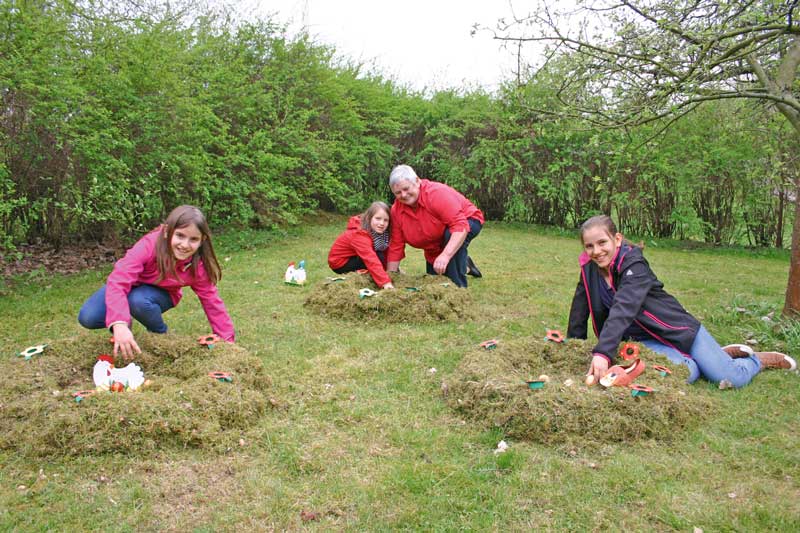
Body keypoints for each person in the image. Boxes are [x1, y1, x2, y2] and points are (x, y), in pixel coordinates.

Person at [567, 214, 796, 388]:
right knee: (687, 373)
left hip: (678, 330)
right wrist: (572, 349)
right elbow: (580, 307)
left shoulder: (633, 265)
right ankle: (715, 356)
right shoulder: (589, 269)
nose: (596, 251)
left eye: (601, 243)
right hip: (642, 340)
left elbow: (623, 308)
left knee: (729, 378)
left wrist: (603, 353)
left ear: (616, 239)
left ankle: (758, 361)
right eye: (589, 246)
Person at [78, 205, 235, 360]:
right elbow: (118, 281)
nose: (185, 245)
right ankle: (124, 323)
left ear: (202, 240)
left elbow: (212, 303)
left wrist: (228, 343)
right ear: (167, 231)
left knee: (137, 301)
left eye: (193, 239)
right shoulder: (148, 246)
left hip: (161, 294)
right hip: (129, 286)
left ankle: (161, 335)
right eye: (180, 235)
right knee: (88, 317)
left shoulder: (197, 265)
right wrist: (119, 324)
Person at [385, 164, 484, 288]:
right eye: (398, 193)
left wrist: (445, 255)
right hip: (436, 239)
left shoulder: (436, 194)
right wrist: (390, 277)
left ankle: (457, 290)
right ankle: (465, 265)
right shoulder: (396, 211)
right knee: (434, 277)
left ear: (417, 181)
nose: (403, 195)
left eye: (406, 188)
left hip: (467, 221)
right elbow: (396, 245)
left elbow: (460, 226)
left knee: (449, 240)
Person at [328, 201, 395, 289]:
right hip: (340, 262)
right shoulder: (360, 234)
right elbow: (370, 259)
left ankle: (372, 273)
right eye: (378, 218)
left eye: (385, 220)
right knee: (376, 259)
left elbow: (385, 251)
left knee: (380, 256)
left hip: (354, 256)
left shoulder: (378, 232)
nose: (382, 223)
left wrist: (390, 270)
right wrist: (385, 282)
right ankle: (364, 274)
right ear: (369, 218)